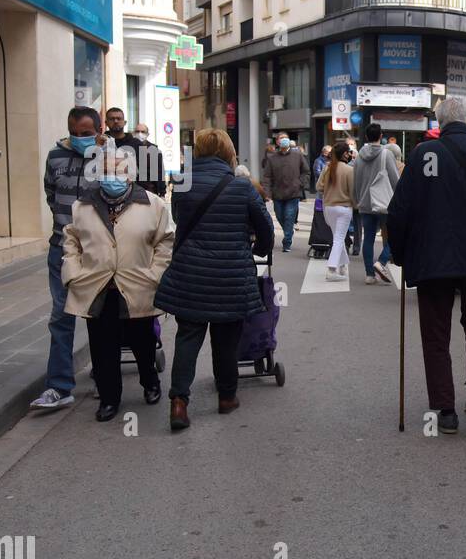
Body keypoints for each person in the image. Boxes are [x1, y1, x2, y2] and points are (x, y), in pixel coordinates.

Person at [388, 96, 466, 434]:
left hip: (431, 258)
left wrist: (400, 253)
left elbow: (399, 212)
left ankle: (446, 411)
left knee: (435, 334)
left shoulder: (423, 154)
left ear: (440, 124)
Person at [155, 129, 275, 431]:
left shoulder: (183, 183)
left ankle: (179, 402)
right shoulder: (242, 186)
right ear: (228, 151)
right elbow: (265, 230)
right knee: (226, 340)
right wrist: (258, 248)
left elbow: (181, 221)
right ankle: (226, 397)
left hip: (191, 273)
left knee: (187, 338)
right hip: (231, 275)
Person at [61, 147, 173, 421]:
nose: (113, 176)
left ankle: (150, 382)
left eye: (119, 170)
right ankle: (110, 399)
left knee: (143, 341)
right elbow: (70, 242)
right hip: (97, 287)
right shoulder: (82, 206)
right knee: (102, 346)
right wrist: (73, 273)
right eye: (107, 170)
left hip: (137, 285)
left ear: (131, 174)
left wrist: (155, 274)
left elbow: (166, 242)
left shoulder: (152, 204)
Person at [30, 106, 104, 413]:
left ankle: (105, 375)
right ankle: (59, 387)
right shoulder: (55, 157)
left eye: (86, 134)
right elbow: (50, 193)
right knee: (61, 316)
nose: (79, 139)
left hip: (98, 250)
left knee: (100, 316)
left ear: (98, 132)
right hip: (61, 249)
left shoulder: (112, 157)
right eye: (74, 133)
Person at [352, 122, 398, 283]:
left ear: (366, 137)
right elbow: (394, 180)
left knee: (369, 238)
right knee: (395, 236)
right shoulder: (387, 154)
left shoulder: (359, 157)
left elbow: (355, 181)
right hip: (385, 203)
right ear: (381, 136)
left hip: (365, 203)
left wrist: (357, 199)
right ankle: (382, 261)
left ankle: (369, 275)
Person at [262, 132, 309, 252]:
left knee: (289, 216)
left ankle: (287, 241)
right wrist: (267, 193)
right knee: (280, 216)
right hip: (278, 194)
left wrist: (300, 184)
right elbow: (267, 177)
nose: (283, 141)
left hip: (293, 193)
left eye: (285, 138)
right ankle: (288, 231)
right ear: (277, 142)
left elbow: (306, 171)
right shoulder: (272, 158)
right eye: (281, 139)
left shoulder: (297, 155)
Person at [104, 107, 166, 196]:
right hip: (105, 195)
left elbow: (147, 173)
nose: (116, 121)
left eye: (119, 118)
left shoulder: (137, 145)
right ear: (106, 122)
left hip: (133, 195)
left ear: (124, 122)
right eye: (112, 119)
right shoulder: (101, 143)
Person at [317, 140, 355, 281]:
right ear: (344, 154)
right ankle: (332, 270)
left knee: (337, 237)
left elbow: (318, 187)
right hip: (344, 208)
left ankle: (343, 265)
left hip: (328, 207)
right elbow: (353, 192)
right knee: (339, 238)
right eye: (348, 152)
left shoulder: (328, 168)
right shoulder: (349, 170)